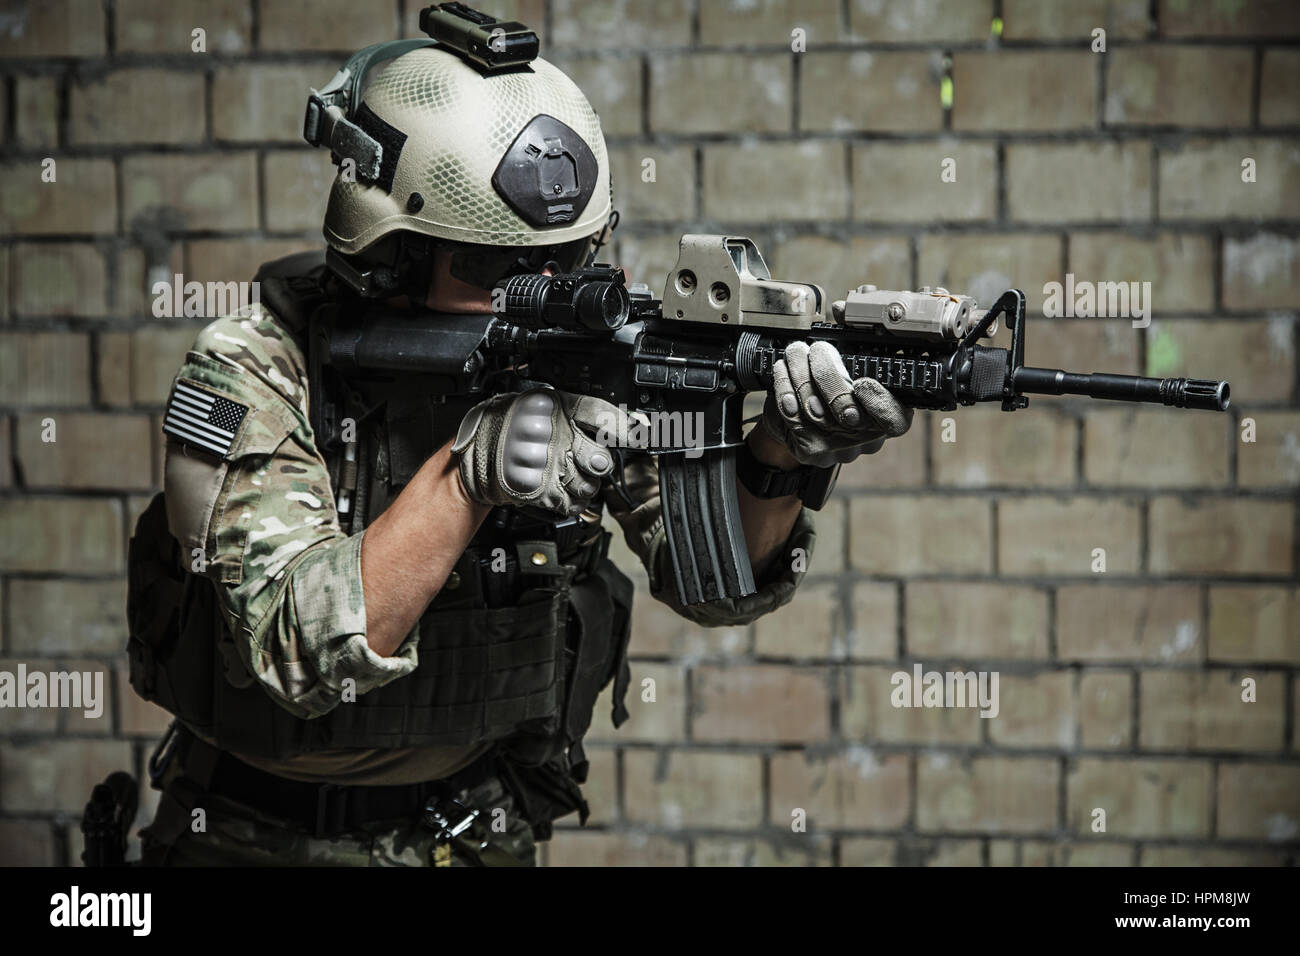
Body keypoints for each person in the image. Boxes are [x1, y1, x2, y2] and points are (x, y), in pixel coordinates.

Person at [127, 11, 912, 867]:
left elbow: (711, 586)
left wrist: (781, 458)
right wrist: (468, 481)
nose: (542, 294)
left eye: (570, 260)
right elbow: (298, 656)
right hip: (257, 841)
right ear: (390, 253)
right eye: (495, 270)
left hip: (476, 832)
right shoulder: (259, 366)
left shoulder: (588, 358)